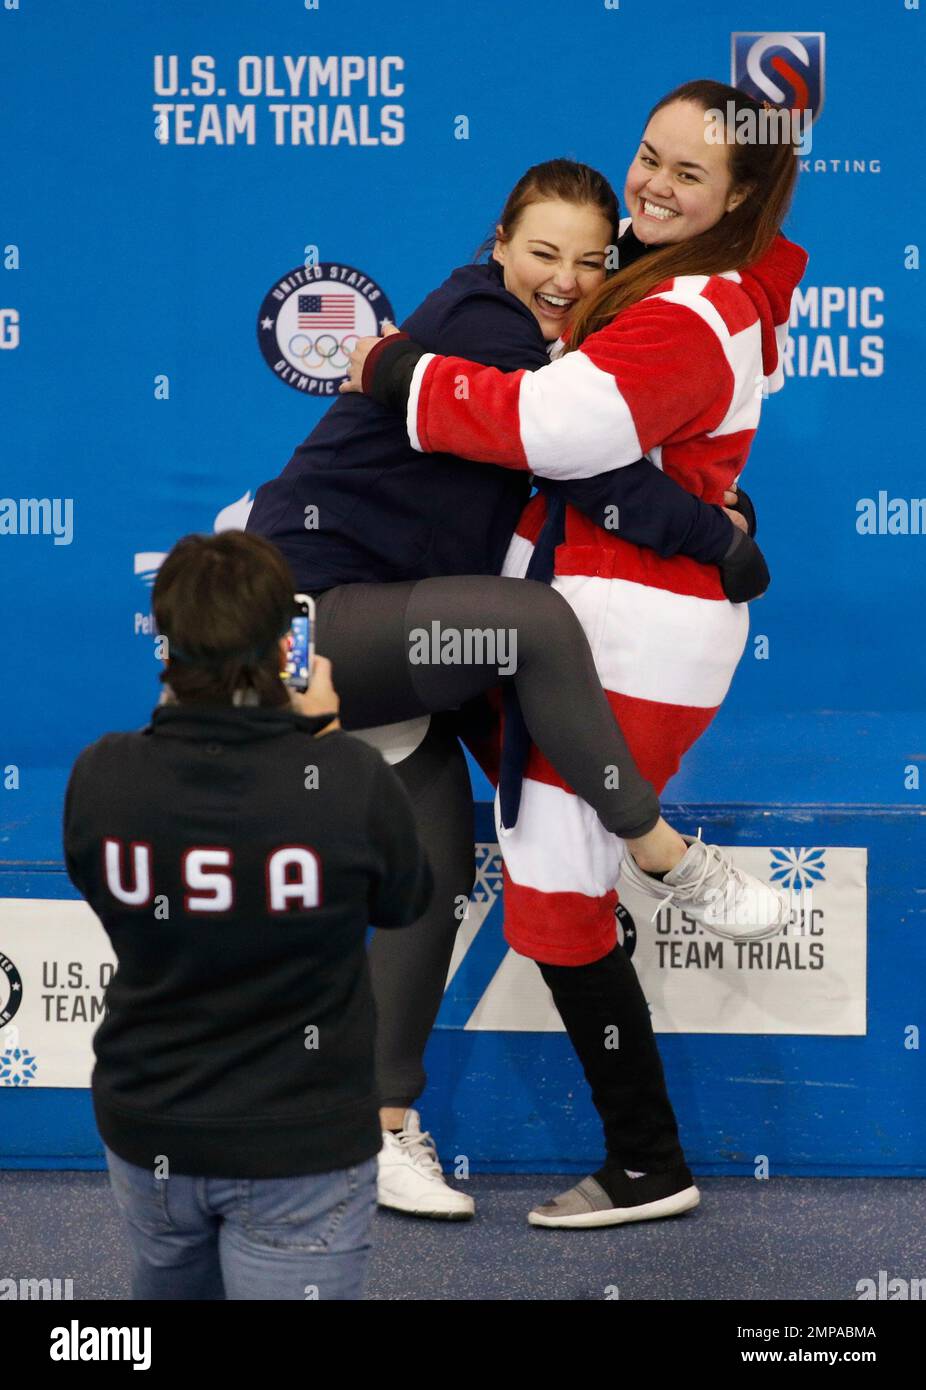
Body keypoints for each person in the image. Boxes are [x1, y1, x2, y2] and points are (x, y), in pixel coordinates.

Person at [248, 153, 782, 1222]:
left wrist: (724, 520)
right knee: (532, 626)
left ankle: (381, 1129)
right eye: (541, 251)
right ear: (498, 245)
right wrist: (718, 543)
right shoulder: (491, 328)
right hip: (302, 633)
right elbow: (587, 463)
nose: (565, 276)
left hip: (378, 645)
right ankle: (661, 852)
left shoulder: (543, 337)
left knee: (434, 876)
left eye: (591, 261)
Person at [62, 531, 433, 1299]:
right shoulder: (348, 778)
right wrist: (325, 739)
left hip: (150, 1126)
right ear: (283, 648)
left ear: (166, 646)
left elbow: (104, 887)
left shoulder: (103, 776)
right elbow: (408, 901)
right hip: (303, 1145)